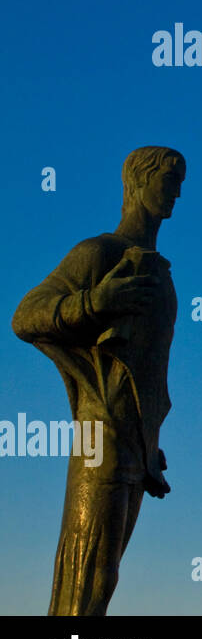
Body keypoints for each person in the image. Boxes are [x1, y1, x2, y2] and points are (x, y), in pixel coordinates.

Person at [12, 146, 184, 615]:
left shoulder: (161, 274)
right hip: (99, 436)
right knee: (84, 577)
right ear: (138, 181)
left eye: (180, 183)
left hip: (134, 445)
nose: (176, 193)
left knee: (103, 582)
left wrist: (149, 440)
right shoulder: (99, 253)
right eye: (168, 180)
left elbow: (141, 373)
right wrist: (94, 302)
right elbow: (26, 316)